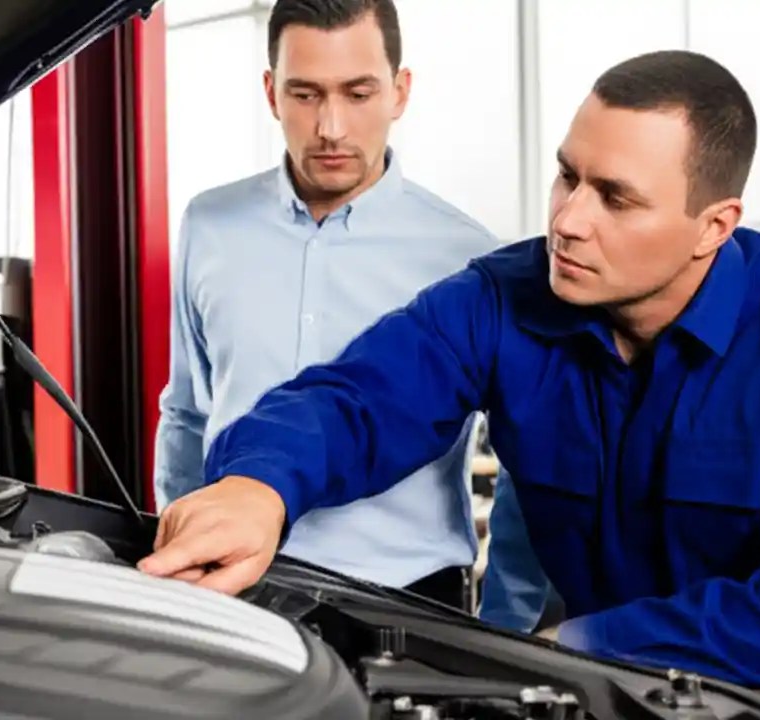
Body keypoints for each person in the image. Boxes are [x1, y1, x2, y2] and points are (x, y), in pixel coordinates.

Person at [140, 48, 760, 700]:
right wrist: (260, 486)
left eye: (616, 198)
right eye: (567, 177)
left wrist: (581, 641)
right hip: (602, 691)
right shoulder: (505, 297)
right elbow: (360, 400)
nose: (569, 219)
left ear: (714, 225)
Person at [151, 0, 543, 613]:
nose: (331, 126)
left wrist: (507, 625)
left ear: (399, 92)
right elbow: (188, 413)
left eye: (358, 94)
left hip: (407, 601)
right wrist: (180, 547)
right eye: (305, 95)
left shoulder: (468, 256)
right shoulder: (209, 224)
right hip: (234, 589)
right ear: (271, 93)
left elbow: (525, 465)